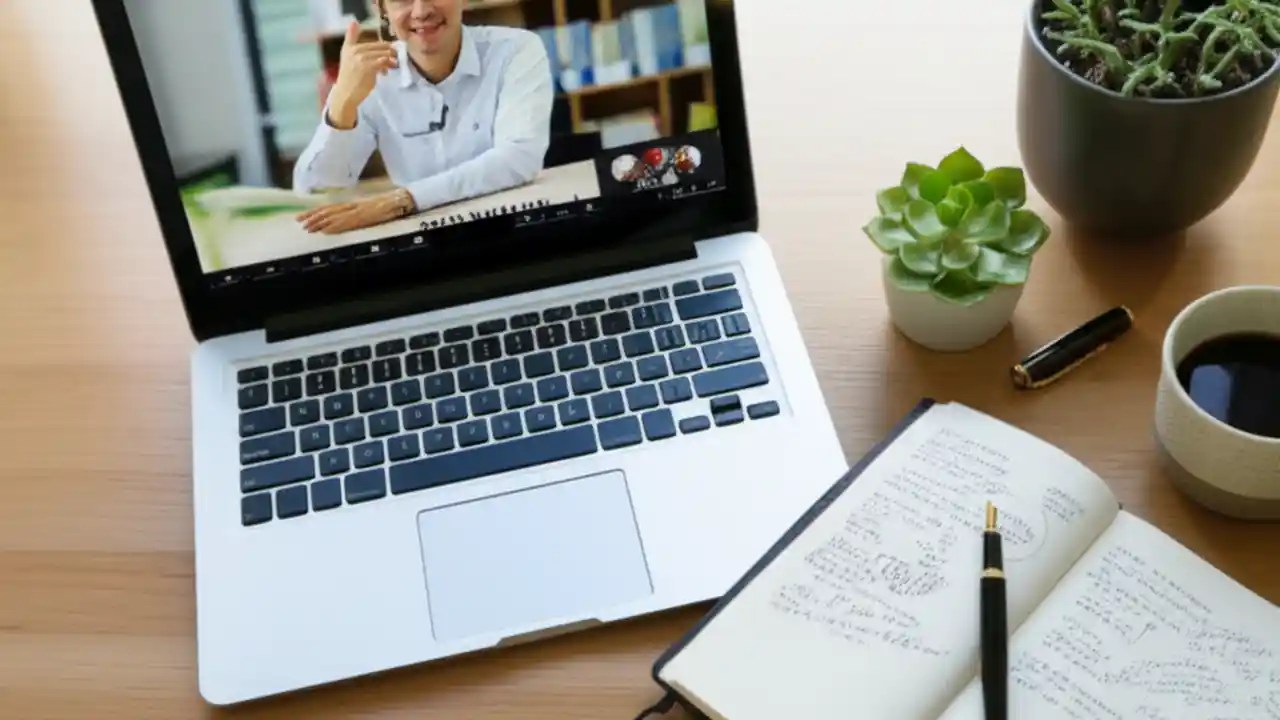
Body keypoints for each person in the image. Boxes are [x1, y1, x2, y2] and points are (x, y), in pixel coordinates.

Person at [294, 0, 554, 235]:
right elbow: (315, 194)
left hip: (514, 229)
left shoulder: (516, 49)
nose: (421, 11)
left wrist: (406, 199)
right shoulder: (373, 76)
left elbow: (520, 157)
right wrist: (342, 102)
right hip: (425, 242)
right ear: (381, 9)